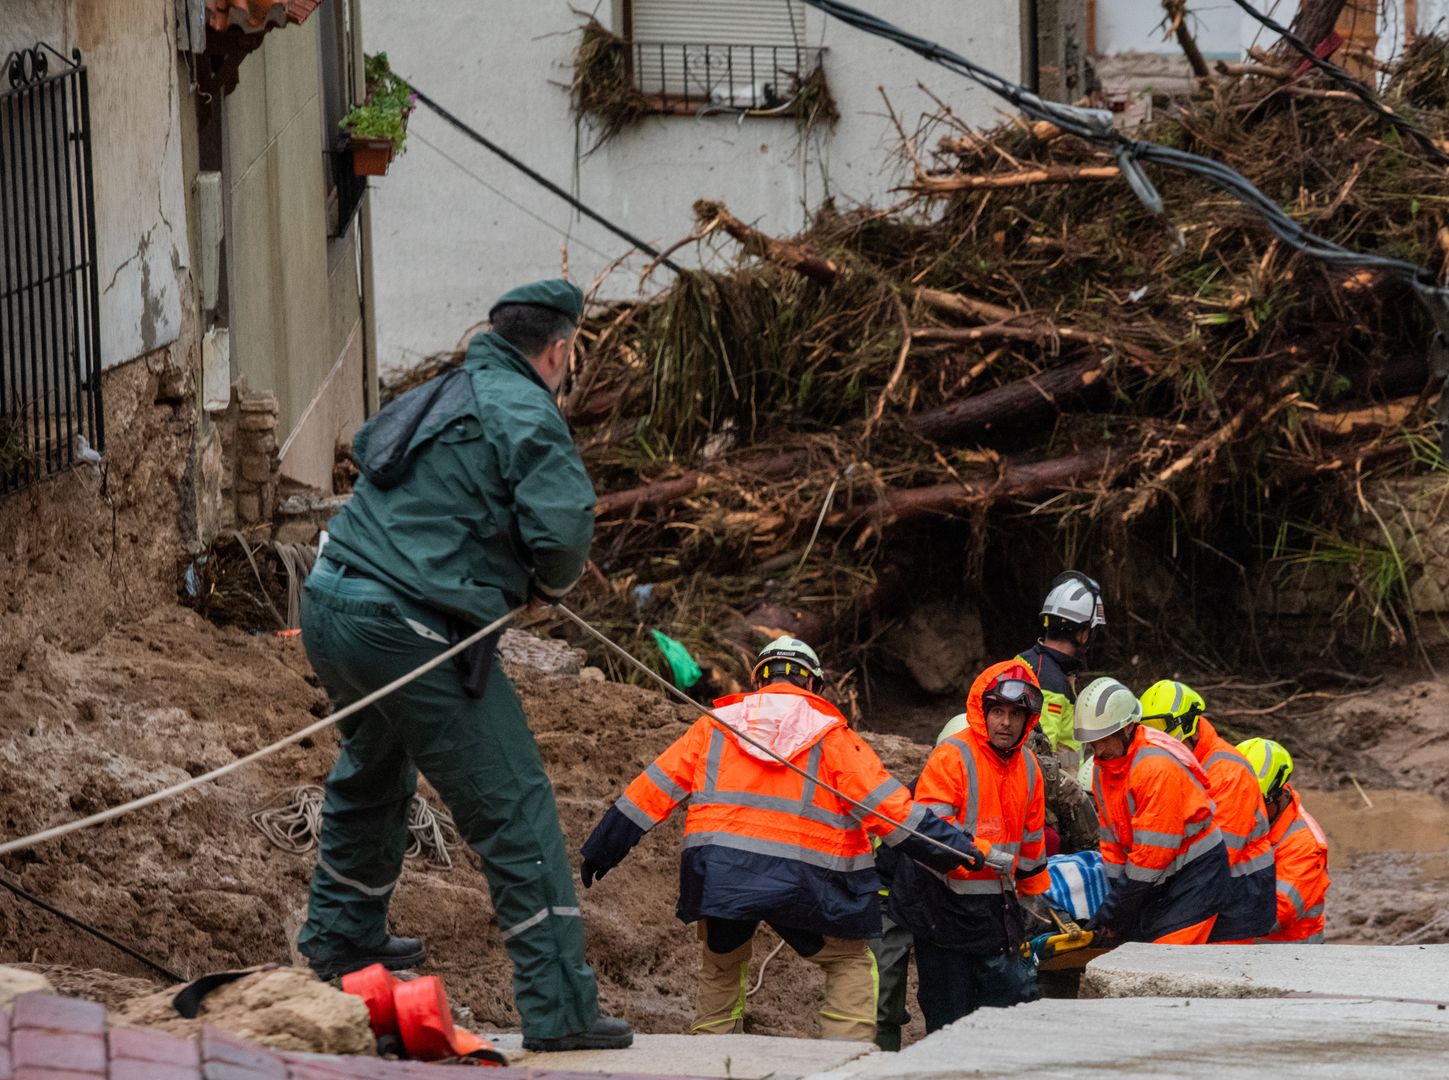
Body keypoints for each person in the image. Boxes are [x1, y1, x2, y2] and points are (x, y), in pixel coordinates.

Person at [296, 280, 628, 1052]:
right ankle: (561, 1011)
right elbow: (566, 526)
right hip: (405, 626)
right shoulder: (527, 410)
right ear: (559, 349)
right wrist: (545, 582)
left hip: (328, 601)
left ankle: (344, 939)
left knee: (375, 766)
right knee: (515, 807)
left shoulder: (445, 389)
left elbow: (378, 455)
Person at [578, 637, 982, 1042]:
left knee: (722, 966)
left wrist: (602, 848)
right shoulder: (833, 737)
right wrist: (956, 849)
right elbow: (891, 812)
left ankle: (713, 1060)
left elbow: (650, 790)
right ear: (814, 685)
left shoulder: (713, 727)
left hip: (723, 876)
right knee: (849, 964)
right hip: (811, 883)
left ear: (759, 678)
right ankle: (846, 1064)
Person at [890, 662, 1050, 1033]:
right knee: (949, 1020)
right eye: (997, 712)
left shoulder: (1029, 766)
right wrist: (980, 851)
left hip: (996, 914)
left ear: (1028, 719)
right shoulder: (951, 757)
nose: (1005, 722)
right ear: (983, 711)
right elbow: (930, 832)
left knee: (1003, 1019)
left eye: (1014, 714)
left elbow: (1031, 841)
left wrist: (1033, 895)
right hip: (943, 912)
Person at [1075, 677, 1231, 945]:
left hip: (1196, 875)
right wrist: (1113, 902)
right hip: (1160, 876)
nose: (1097, 749)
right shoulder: (1105, 768)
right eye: (1092, 742)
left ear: (1128, 728)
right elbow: (1112, 841)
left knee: (1164, 958)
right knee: (1137, 948)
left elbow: (1151, 856)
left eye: (1104, 739)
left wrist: (1114, 911)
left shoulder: (1155, 767)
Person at [1138, 681, 1276, 941]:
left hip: (1235, 903)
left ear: (1189, 727)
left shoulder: (1228, 772)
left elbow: (1220, 856)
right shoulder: (1168, 764)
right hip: (1198, 889)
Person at [873, 713, 968, 1052]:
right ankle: (881, 1063)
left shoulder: (987, 791)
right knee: (883, 996)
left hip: (948, 903)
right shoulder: (908, 799)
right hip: (890, 898)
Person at [1014, 571, 1105, 854]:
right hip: (1045, 804)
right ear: (1083, 633)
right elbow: (1041, 757)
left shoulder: (1030, 663)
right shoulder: (1050, 680)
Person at [1236, 738, 1329, 943]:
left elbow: (1276, 913)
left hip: (1292, 962)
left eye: (1256, 803)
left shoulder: (1305, 844)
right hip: (1245, 955)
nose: (1246, 810)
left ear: (1279, 795)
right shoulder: (1245, 817)